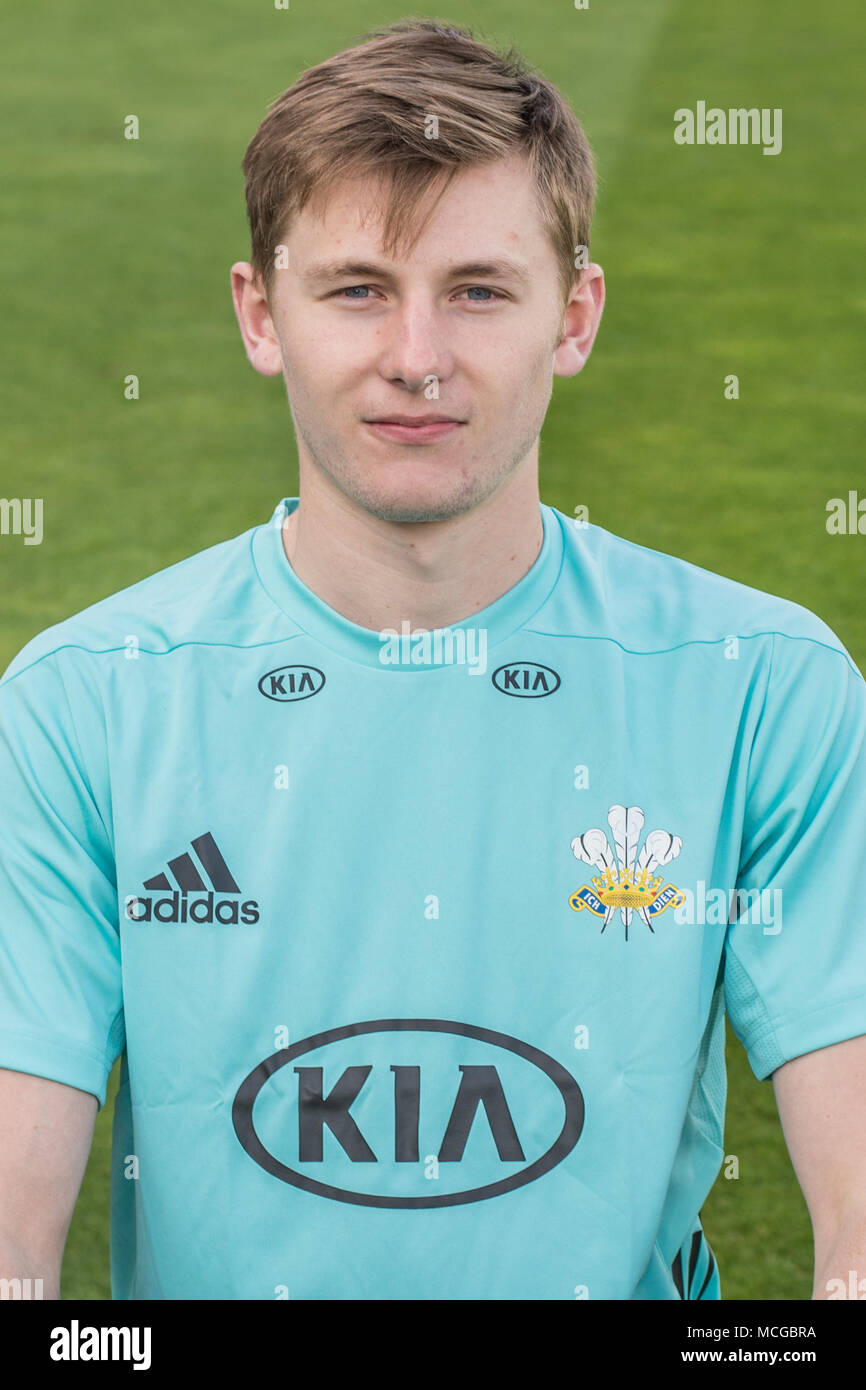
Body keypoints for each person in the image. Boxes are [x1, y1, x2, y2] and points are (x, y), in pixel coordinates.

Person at [1, 18, 865, 1302]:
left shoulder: (760, 687)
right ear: (261, 316)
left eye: (476, 288)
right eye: (357, 288)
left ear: (572, 318)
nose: (416, 358)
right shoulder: (83, 706)